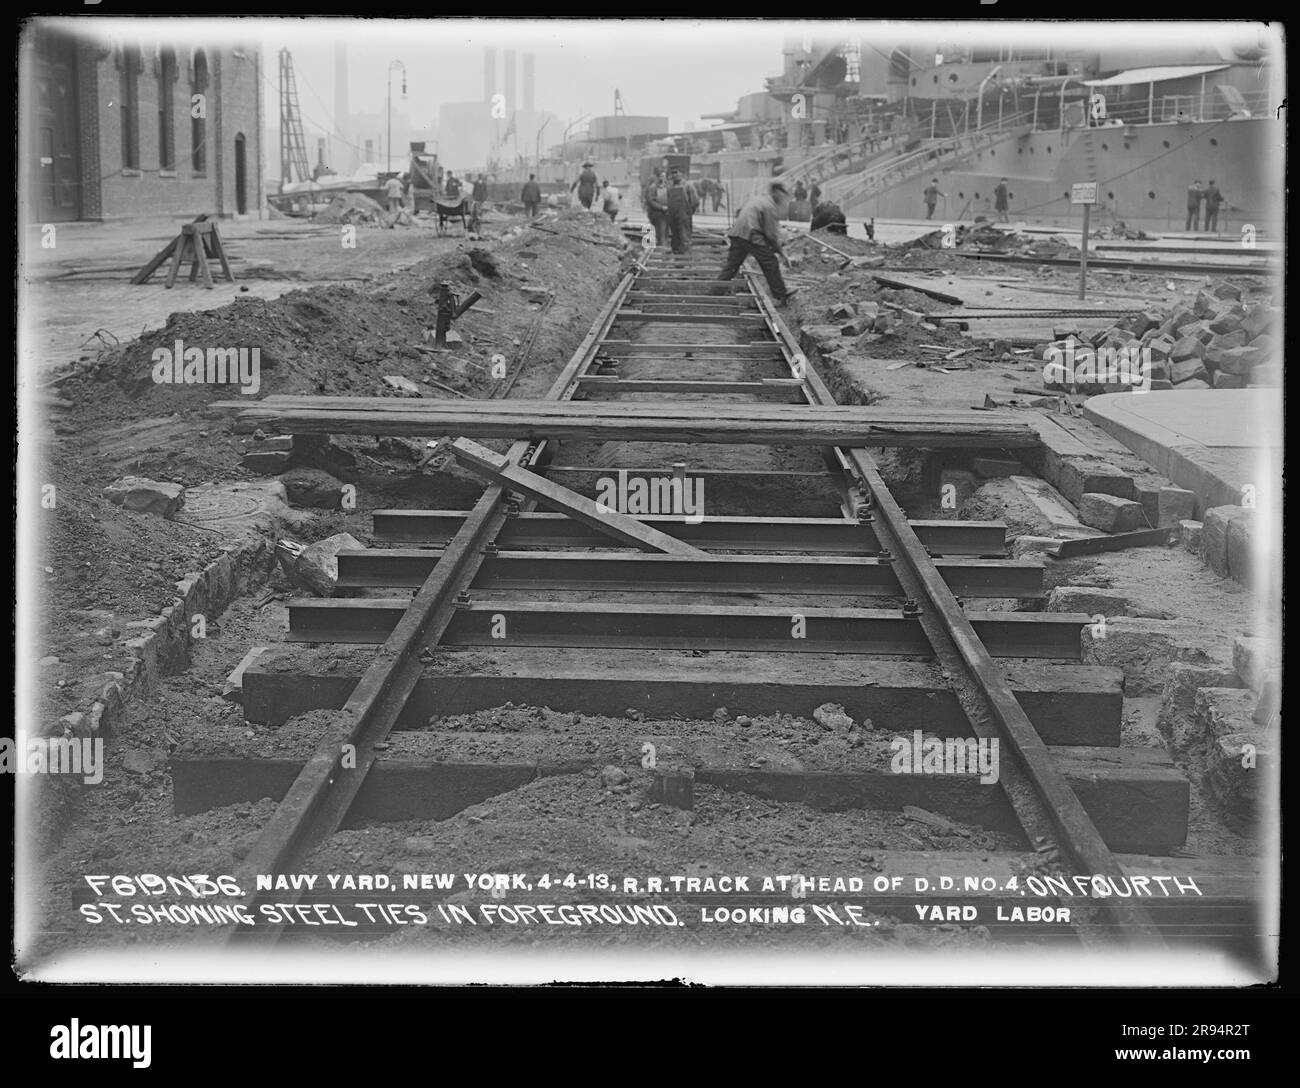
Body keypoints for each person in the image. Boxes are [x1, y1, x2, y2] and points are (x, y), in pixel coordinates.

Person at [717, 180, 797, 305]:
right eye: (782, 194)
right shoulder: (769, 206)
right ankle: (780, 294)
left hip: (737, 234)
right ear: (775, 192)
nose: (783, 198)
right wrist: (782, 253)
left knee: (731, 267)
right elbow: (771, 234)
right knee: (770, 262)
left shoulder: (759, 200)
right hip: (751, 235)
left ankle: (715, 293)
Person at [665, 167, 697, 253]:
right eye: (672, 173)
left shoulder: (688, 185)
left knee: (684, 236)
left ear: (681, 174)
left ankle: (686, 258)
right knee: (675, 237)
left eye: (676, 173)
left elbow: (694, 201)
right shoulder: (669, 186)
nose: (674, 175)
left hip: (683, 216)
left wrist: (688, 212)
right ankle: (677, 258)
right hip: (672, 216)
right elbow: (668, 200)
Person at [643, 168, 669, 246]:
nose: (663, 178)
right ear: (658, 177)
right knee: (661, 232)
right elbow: (651, 201)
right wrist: (661, 207)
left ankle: (663, 247)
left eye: (664, 176)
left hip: (667, 213)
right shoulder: (653, 187)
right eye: (661, 176)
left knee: (665, 232)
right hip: (657, 213)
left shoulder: (667, 187)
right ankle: (662, 250)